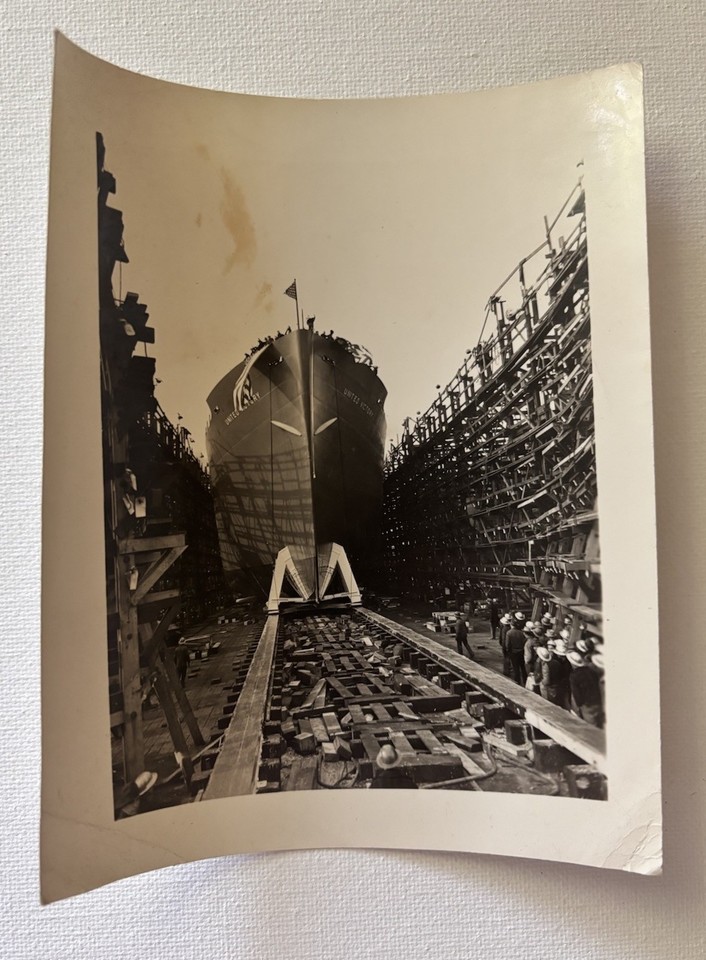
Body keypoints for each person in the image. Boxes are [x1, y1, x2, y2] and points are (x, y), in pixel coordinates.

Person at [567, 650, 604, 727]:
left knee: (591, 726)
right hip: (597, 702)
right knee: (599, 724)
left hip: (587, 705)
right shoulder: (591, 670)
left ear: (572, 663)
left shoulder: (574, 675)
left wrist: (579, 707)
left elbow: (577, 695)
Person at [505, 614, 527, 685]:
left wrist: (508, 652)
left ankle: (518, 683)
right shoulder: (521, 633)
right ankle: (525, 681)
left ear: (511, 625)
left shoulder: (509, 633)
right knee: (523, 668)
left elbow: (507, 645)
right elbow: (524, 642)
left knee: (516, 668)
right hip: (521, 652)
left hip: (513, 653)